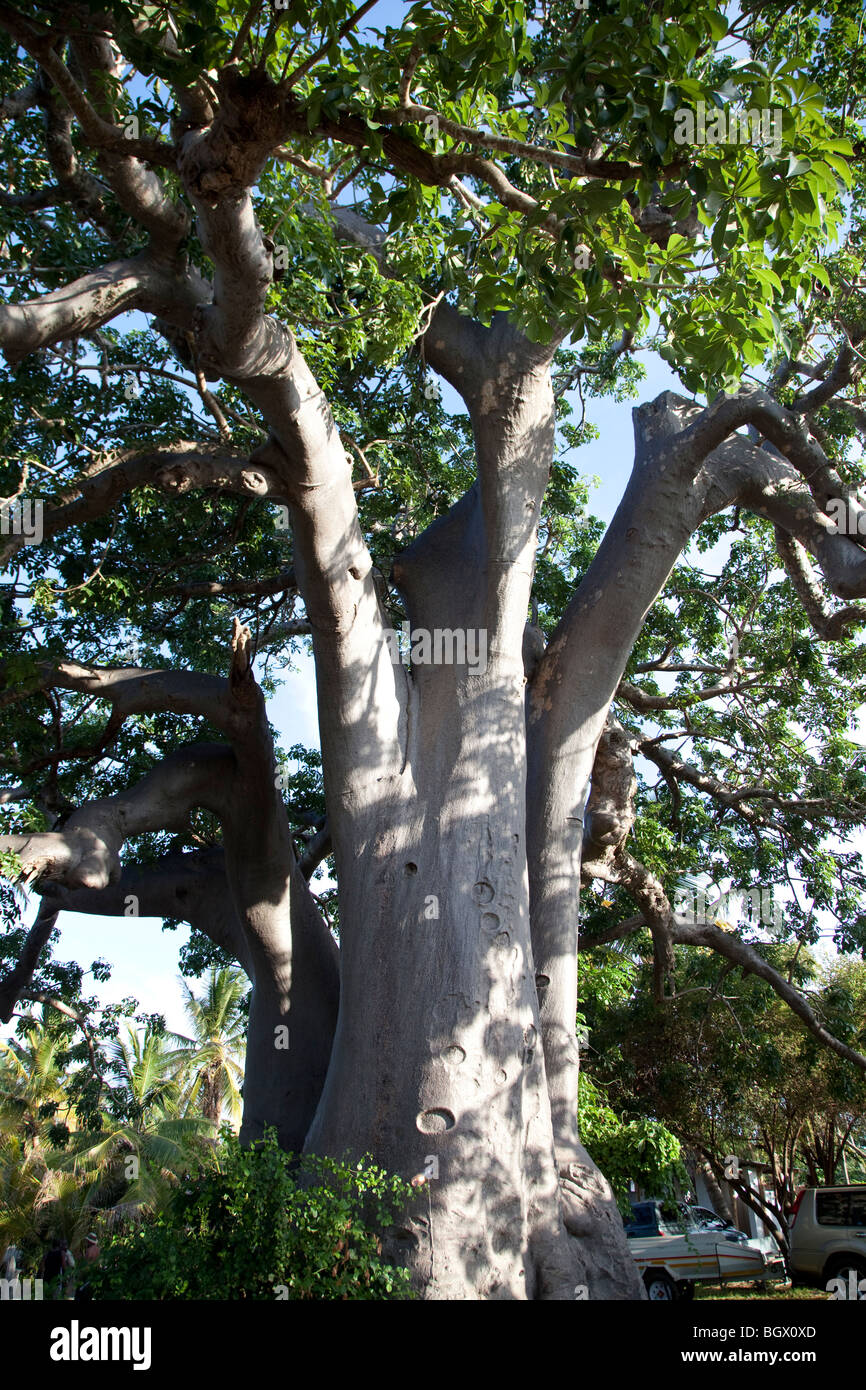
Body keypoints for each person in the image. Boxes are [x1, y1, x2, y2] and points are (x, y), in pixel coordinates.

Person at [74, 1234, 99, 1302]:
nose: (87, 1242)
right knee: (89, 1296)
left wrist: (80, 1258)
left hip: (86, 1277)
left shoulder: (89, 1250)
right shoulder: (98, 1250)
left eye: (87, 1241)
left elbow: (86, 1265)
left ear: (90, 1241)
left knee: (80, 1296)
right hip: (94, 1276)